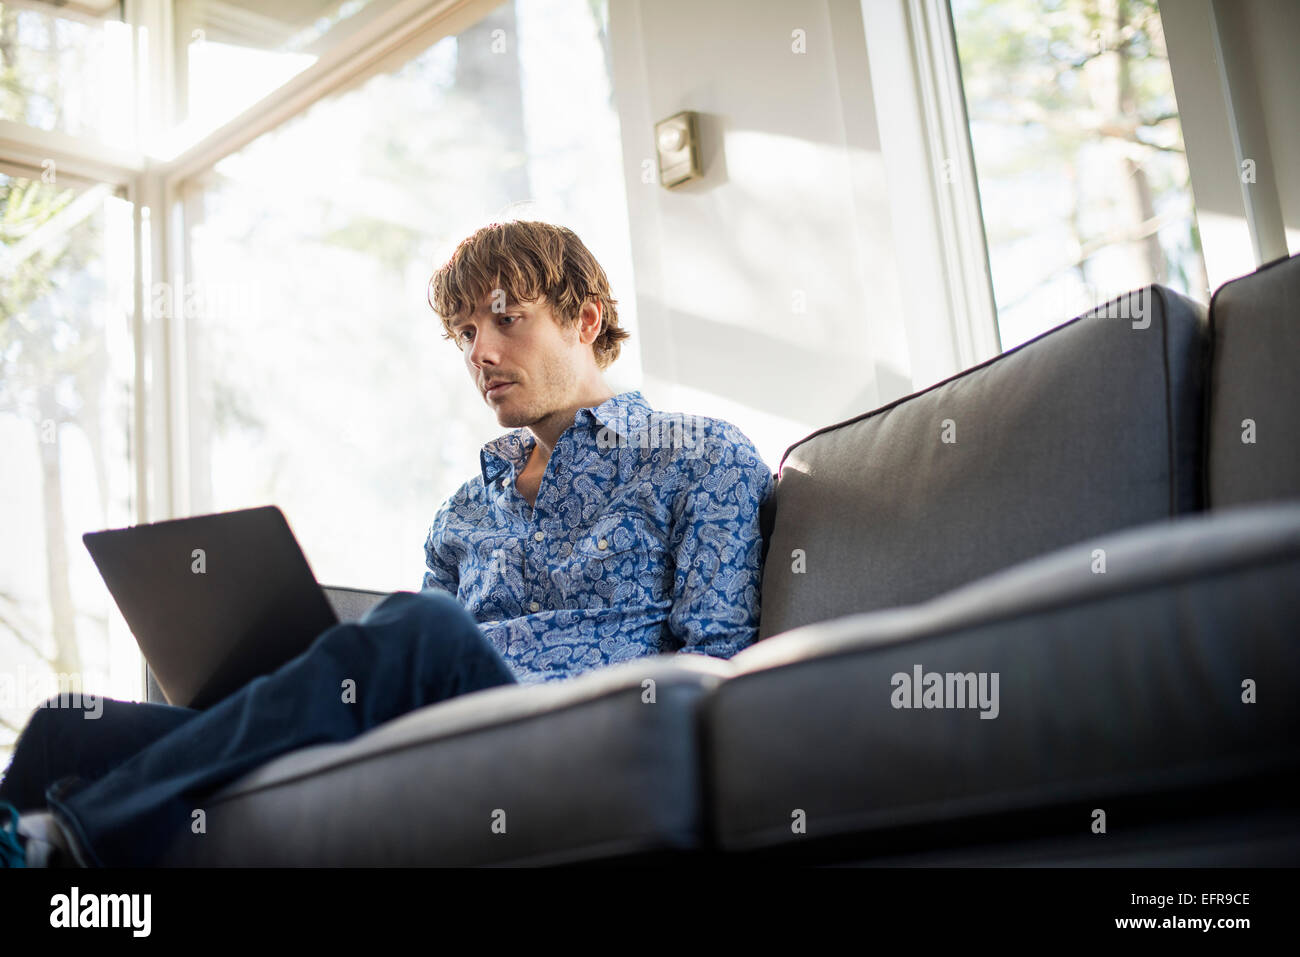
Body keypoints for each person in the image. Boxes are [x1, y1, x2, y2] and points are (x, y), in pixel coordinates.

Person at [0, 220, 775, 867]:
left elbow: (719, 659)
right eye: (467, 332)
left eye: (507, 319)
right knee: (71, 726)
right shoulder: (463, 512)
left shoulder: (699, 455)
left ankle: (78, 835)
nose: (481, 352)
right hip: (421, 735)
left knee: (423, 625)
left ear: (587, 320)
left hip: (565, 732)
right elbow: (405, 677)